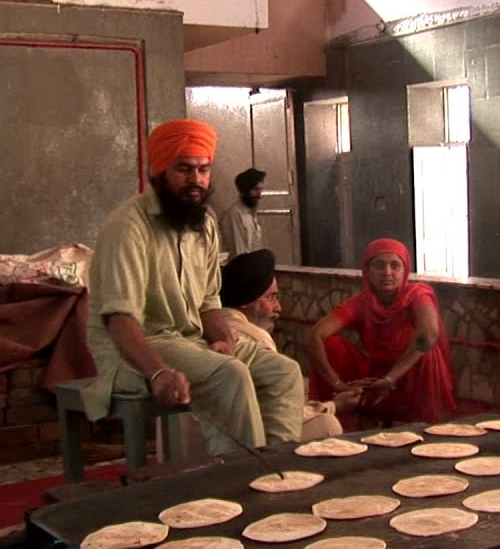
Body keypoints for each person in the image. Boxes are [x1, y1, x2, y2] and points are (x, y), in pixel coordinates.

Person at [83, 119, 305, 454]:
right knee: (230, 375)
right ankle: (240, 483)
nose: (195, 181)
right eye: (184, 169)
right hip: (138, 348)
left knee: (284, 371)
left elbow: (208, 302)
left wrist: (223, 339)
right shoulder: (128, 227)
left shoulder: (204, 224)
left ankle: (277, 472)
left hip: (191, 342)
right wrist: (158, 374)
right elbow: (120, 319)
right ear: (159, 172)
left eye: (203, 170)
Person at [305, 238, 456, 425]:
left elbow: (429, 332)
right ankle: (337, 416)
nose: (387, 272)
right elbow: (315, 335)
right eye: (379, 265)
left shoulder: (417, 294)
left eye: (395, 266)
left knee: (427, 351)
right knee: (331, 346)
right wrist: (338, 384)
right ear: (367, 271)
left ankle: (424, 422)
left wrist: (390, 378)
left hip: (408, 374)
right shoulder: (361, 303)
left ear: (405, 270)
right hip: (375, 378)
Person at [219, 249, 361, 440]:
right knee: (327, 425)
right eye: (271, 297)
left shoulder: (218, 324)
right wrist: (334, 406)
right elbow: (283, 414)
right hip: (250, 438)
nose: (279, 307)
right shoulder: (252, 338)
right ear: (247, 301)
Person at [214, 167, 265, 257]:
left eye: (260, 190)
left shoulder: (251, 214)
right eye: (255, 190)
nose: (259, 195)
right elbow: (238, 252)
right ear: (245, 191)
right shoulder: (234, 215)